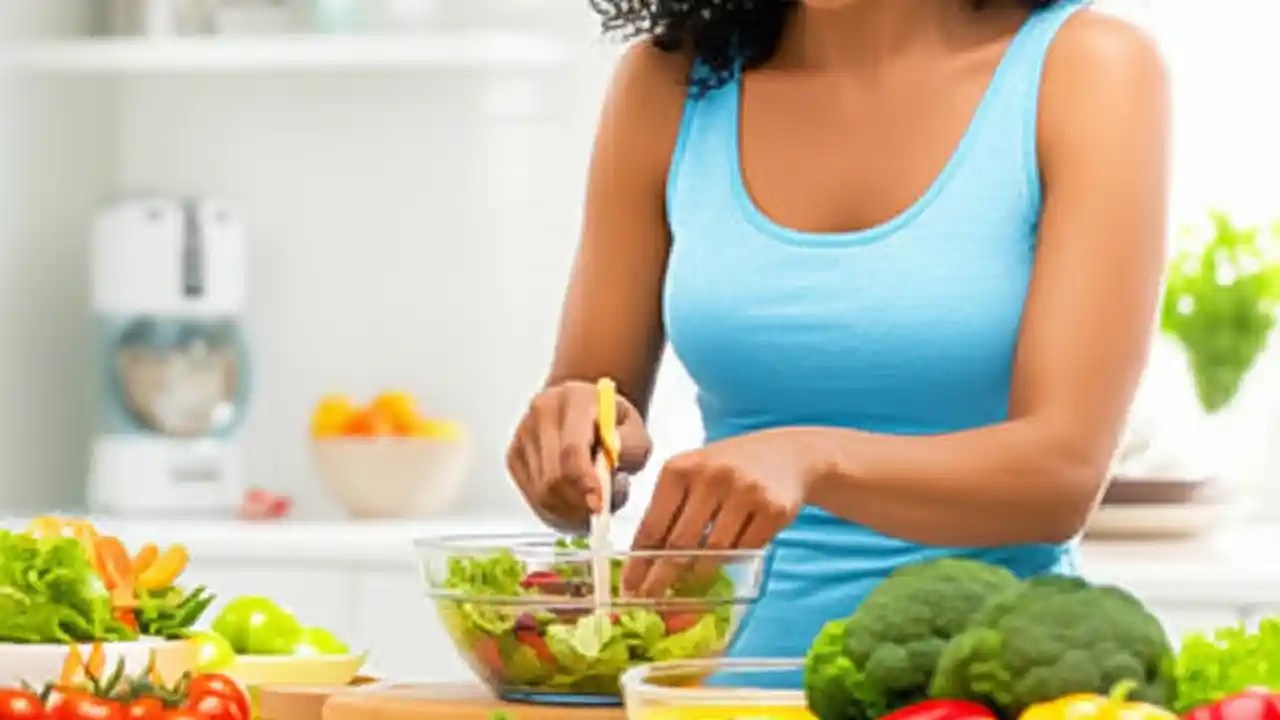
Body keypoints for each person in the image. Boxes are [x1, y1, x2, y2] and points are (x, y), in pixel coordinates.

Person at [507, 0, 1169, 659]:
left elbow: (1061, 477)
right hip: (711, 695)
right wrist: (567, 449)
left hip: (974, 689)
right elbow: (588, 424)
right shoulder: (669, 83)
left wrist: (813, 460)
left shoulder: (1086, 68)